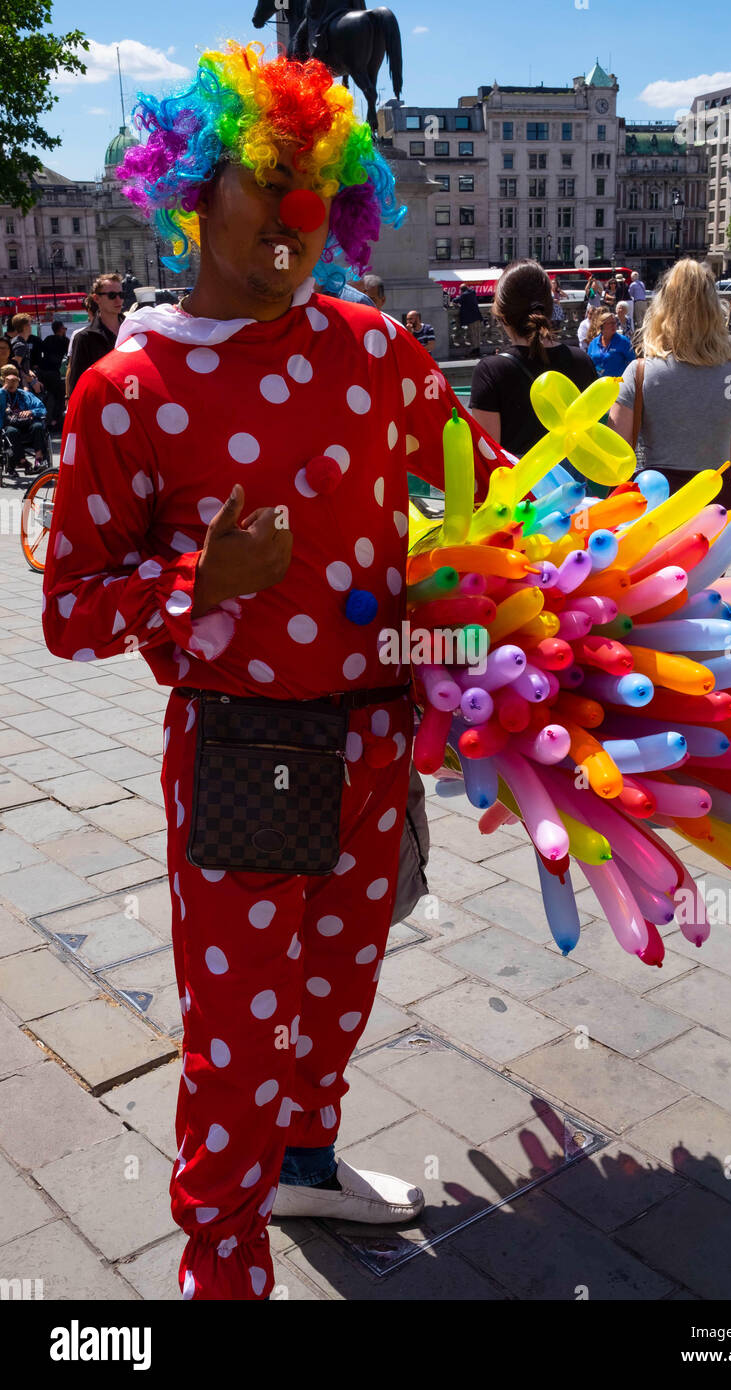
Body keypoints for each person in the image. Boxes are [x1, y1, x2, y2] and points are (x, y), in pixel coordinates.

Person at [42, 38, 514, 1304]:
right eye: (267, 192)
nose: (292, 228)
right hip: (245, 755)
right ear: (195, 190)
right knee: (240, 1041)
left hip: (377, 741)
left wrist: (517, 616)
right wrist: (201, 581)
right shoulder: (126, 392)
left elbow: (480, 488)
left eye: (314, 198)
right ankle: (221, 1266)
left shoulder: (370, 347)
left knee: (343, 986)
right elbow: (69, 614)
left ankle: (307, 1162)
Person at [608, 258, 731, 511]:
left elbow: (615, 458)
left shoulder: (641, 372)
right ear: (714, 310)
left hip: (655, 503)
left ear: (663, 308)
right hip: (715, 504)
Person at [468, 258, 595, 456]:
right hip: (573, 484)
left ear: (502, 315)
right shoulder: (582, 361)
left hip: (520, 486)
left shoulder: (491, 370)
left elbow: (488, 457)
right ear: (549, 306)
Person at [65, 272, 125, 398]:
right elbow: (76, 382)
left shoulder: (134, 330)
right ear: (97, 298)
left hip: (132, 402)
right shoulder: (84, 338)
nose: (118, 299)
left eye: (121, 294)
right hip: (101, 405)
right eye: (112, 295)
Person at [0, 362, 50, 471]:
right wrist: (4, 388)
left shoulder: (26, 395)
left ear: (18, 382)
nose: (12, 384)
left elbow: (42, 409)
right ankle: (22, 461)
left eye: (14, 381)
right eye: (8, 381)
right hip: (10, 425)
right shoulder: (1, 394)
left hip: (28, 424)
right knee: (11, 432)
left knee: (37, 426)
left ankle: (39, 458)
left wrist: (31, 412)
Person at [37, 319, 69, 429]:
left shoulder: (48, 339)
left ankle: (47, 419)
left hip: (42, 371)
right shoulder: (65, 341)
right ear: (60, 329)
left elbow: (41, 352)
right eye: (64, 328)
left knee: (48, 396)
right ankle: (55, 421)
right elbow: (69, 356)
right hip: (53, 373)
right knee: (60, 397)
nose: (65, 330)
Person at [586, 310, 636, 379]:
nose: (614, 325)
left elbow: (632, 362)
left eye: (615, 322)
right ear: (602, 325)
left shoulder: (623, 341)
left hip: (618, 383)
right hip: (599, 384)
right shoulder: (594, 343)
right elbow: (588, 364)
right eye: (611, 323)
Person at [455, 282, 483, 354]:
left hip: (471, 318)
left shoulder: (464, 295)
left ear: (461, 290)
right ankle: (478, 349)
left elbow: (456, 300)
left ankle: (475, 350)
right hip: (477, 316)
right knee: (477, 334)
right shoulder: (472, 292)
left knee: (473, 334)